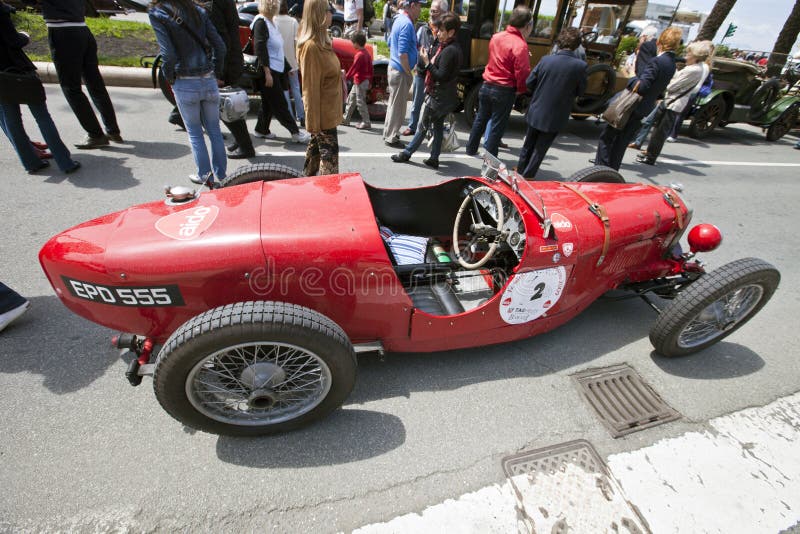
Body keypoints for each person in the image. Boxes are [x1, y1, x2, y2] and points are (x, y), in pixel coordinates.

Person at [150, 0, 228, 185]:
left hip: (184, 81)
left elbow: (168, 54)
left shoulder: (158, 13)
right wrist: (215, 71)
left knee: (195, 132)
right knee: (214, 130)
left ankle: (205, 177)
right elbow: (220, 46)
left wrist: (169, 76)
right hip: (207, 78)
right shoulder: (198, 10)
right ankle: (223, 176)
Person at [0, 1, 80, 174]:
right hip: (17, 69)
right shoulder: (1, 10)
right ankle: (65, 162)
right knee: (42, 116)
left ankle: (30, 163)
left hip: (2, 76)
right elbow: (13, 41)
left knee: (12, 121)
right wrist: (24, 36)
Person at [38, 0, 122, 149]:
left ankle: (96, 134)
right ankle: (112, 130)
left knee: (71, 88)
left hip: (62, 31)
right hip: (82, 29)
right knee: (95, 83)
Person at [594, 26, 680, 170]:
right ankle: (611, 171)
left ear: (661, 42)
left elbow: (641, 87)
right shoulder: (671, 64)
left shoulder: (657, 62)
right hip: (644, 107)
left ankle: (599, 170)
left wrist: (632, 75)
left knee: (607, 137)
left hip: (632, 106)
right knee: (621, 142)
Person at [391, 13, 462, 169]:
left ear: (451, 32)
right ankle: (434, 158)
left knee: (422, 127)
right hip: (442, 96)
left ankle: (406, 153)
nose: (438, 33)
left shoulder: (450, 50)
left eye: (442, 30)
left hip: (438, 97)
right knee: (436, 128)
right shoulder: (446, 46)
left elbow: (441, 75)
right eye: (438, 29)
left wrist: (427, 61)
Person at [517, 27, 587, 179]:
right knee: (540, 149)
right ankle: (528, 176)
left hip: (537, 109)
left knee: (528, 144)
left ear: (560, 42)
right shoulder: (580, 66)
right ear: (576, 45)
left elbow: (529, 83)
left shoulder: (546, 60)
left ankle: (519, 172)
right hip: (557, 114)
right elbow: (581, 92)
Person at [465, 6, 532, 157]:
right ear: (527, 25)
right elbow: (523, 72)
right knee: (497, 124)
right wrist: (521, 89)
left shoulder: (497, 37)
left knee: (481, 118)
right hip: (505, 89)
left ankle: (471, 148)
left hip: (487, 84)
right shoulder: (520, 45)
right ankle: (490, 158)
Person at [636, 41, 712, 165]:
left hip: (674, 103)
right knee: (656, 128)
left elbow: (672, 86)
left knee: (660, 132)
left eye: (689, 53)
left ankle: (651, 157)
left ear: (696, 56)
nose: (686, 56)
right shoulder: (692, 68)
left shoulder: (693, 70)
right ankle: (649, 152)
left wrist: (671, 76)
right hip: (672, 101)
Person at [198, 0, 257, 159]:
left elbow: (220, 37)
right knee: (229, 104)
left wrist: (218, 71)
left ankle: (245, 146)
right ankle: (242, 141)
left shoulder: (213, 3)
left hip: (226, 60)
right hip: (230, 58)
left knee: (226, 105)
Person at [252, 0, 311, 144]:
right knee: (280, 103)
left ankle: (261, 129)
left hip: (275, 69)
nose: (275, 7)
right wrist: (267, 72)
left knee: (268, 103)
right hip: (269, 70)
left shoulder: (270, 22)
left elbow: (277, 50)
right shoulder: (261, 22)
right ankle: (295, 132)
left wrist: (288, 67)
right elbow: (260, 48)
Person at [297, 0, 343, 175]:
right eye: (328, 10)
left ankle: (305, 193)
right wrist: (314, 126)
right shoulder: (311, 47)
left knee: (312, 165)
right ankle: (325, 200)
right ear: (319, 14)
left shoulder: (322, 42)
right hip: (323, 120)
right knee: (329, 172)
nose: (332, 13)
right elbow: (309, 89)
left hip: (328, 115)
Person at [402, 0, 446, 137]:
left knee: (433, 105)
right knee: (417, 102)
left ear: (443, 13)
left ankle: (430, 130)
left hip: (435, 73)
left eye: (435, 11)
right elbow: (415, 47)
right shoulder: (423, 29)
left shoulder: (444, 32)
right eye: (431, 10)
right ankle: (412, 126)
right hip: (422, 71)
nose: (432, 13)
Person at [382, 0, 422, 148]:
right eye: (419, 6)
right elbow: (403, 53)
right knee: (398, 107)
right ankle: (392, 137)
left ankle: (388, 133)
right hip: (400, 70)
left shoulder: (399, 20)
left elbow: (390, 42)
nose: (420, 9)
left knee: (394, 104)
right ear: (412, 6)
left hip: (394, 68)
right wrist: (408, 71)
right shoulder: (406, 23)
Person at [275, 0, 305, 128]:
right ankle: (302, 116)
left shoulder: (274, 20)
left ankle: (290, 116)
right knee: (296, 89)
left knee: (284, 90)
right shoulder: (293, 22)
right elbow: (296, 43)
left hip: (279, 61)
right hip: (292, 60)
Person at [343, 32, 373, 129]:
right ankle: (346, 119)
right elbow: (371, 69)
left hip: (360, 81)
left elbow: (353, 69)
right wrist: (370, 81)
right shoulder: (367, 54)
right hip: (362, 81)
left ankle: (366, 122)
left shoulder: (359, 55)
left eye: (353, 43)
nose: (352, 45)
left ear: (356, 43)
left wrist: (345, 77)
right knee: (351, 100)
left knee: (360, 102)